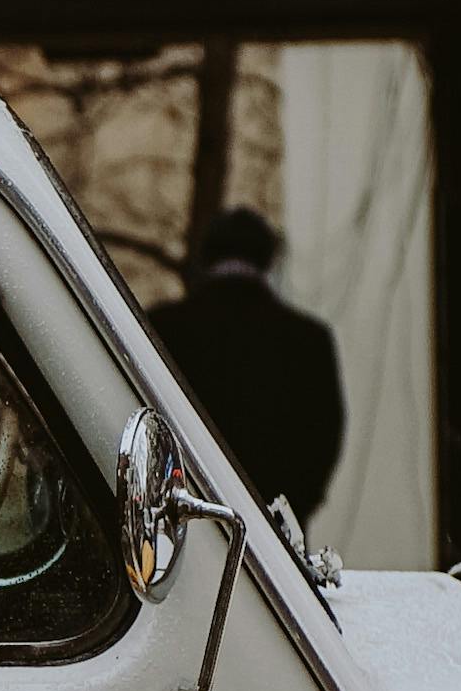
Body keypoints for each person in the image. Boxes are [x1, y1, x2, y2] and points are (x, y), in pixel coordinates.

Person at [141, 204, 347, 527]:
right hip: (276, 522)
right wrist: (296, 504)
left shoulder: (163, 327)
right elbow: (324, 434)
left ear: (206, 256)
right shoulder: (307, 339)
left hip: (185, 520)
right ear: (268, 259)